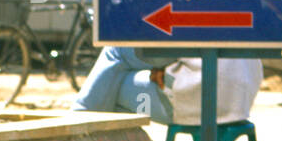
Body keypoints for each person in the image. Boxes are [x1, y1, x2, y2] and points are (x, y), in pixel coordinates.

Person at [71, 48, 263, 125]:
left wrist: (162, 64)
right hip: (239, 102)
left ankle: (75, 130)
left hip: (200, 102)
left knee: (113, 66)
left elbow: (154, 51)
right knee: (109, 86)